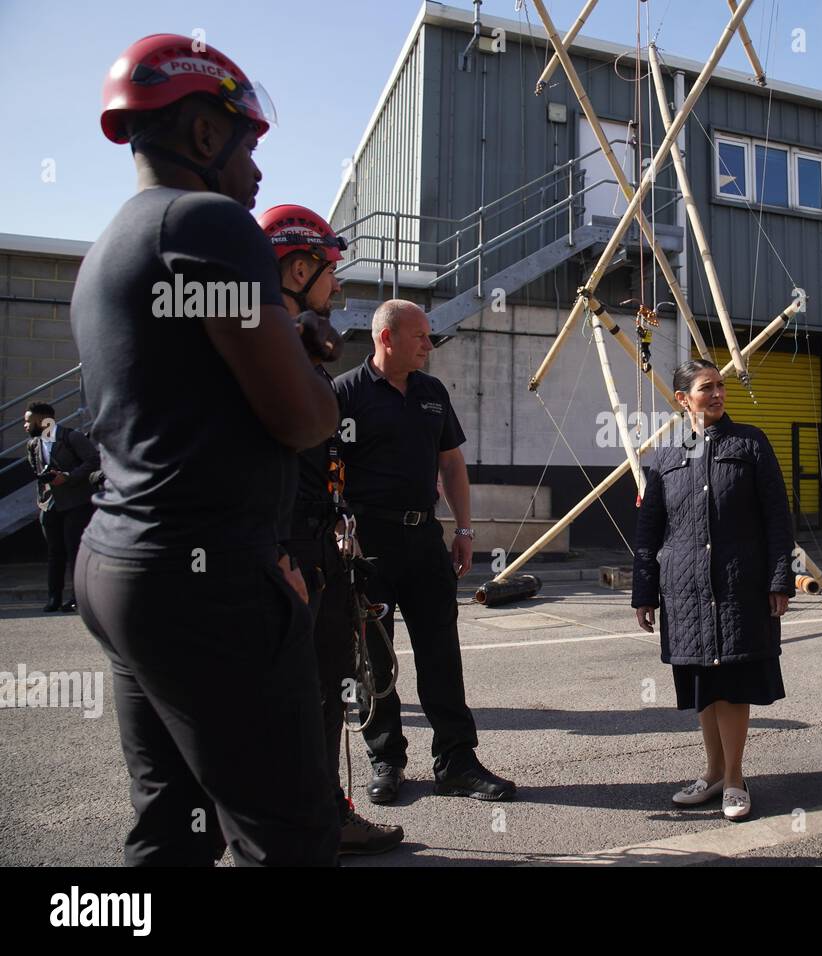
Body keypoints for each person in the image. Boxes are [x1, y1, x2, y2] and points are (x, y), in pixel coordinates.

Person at [71, 34, 340, 865]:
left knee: (172, 827)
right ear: (200, 135)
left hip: (120, 565)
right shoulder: (208, 222)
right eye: (249, 144)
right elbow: (304, 419)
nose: (258, 172)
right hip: (206, 578)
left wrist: (282, 331)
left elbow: (188, 375)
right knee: (287, 836)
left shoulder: (113, 243)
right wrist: (307, 364)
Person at [259, 203, 404, 855]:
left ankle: (323, 813)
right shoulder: (266, 347)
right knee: (301, 704)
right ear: (295, 266)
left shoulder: (288, 345)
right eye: (330, 271)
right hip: (291, 556)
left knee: (324, 699)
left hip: (318, 550)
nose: (337, 285)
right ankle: (306, 825)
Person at [334, 299, 515, 804]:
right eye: (420, 336)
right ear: (386, 337)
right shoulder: (345, 393)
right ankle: (386, 759)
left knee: (441, 655)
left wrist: (463, 529)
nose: (429, 345)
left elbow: (452, 465)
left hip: (424, 540)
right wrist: (337, 533)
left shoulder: (432, 392)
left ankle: (456, 761)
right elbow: (326, 471)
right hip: (367, 546)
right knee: (376, 658)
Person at [632, 358, 795, 821]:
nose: (718, 394)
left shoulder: (750, 444)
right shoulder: (664, 458)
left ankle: (737, 778)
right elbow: (649, 531)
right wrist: (644, 592)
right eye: (707, 388)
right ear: (683, 399)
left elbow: (777, 518)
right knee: (703, 684)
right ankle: (714, 772)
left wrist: (780, 578)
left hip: (739, 585)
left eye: (721, 386)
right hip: (684, 590)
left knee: (733, 683)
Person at [23, 402, 99, 612]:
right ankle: (53, 598)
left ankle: (78, 598)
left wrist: (69, 476)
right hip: (49, 504)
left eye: (28, 421)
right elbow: (35, 469)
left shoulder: (71, 437)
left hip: (76, 502)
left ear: (42, 420)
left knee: (74, 550)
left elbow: (93, 461)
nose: (25, 425)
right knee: (55, 552)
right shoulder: (33, 445)